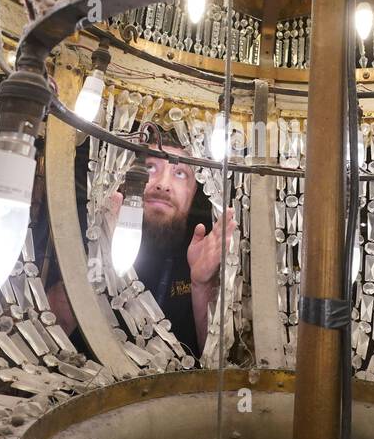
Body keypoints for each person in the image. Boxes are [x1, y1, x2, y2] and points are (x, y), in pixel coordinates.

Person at [47, 146, 234, 357]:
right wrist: (98, 253)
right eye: (150, 168)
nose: (163, 185)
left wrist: (202, 286)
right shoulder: (83, 229)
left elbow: (216, 363)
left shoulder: (201, 250)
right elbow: (46, 337)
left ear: (193, 192)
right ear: (127, 178)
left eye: (180, 174)